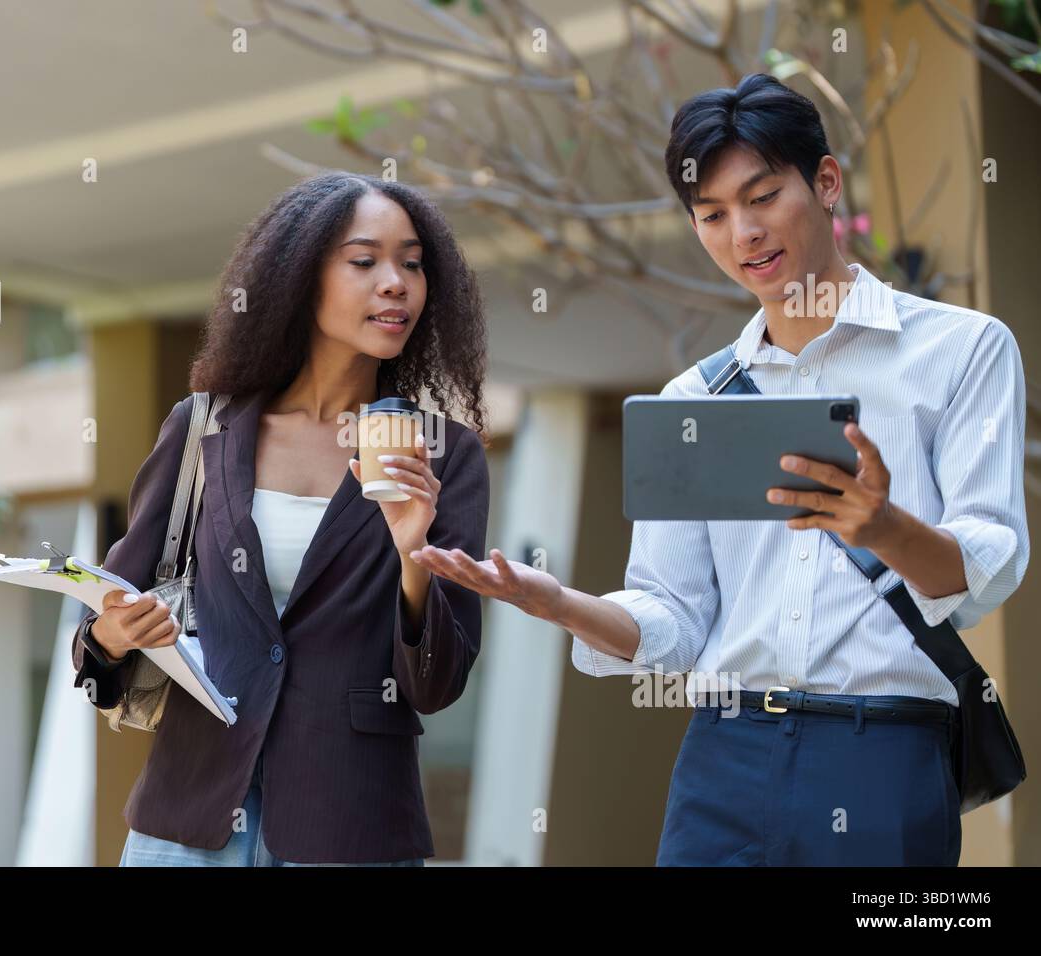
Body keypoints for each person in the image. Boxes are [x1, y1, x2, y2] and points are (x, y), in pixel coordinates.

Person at [410, 73, 1028, 866]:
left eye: (763, 197)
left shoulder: (964, 349)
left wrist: (882, 528)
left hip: (883, 753)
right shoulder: (692, 400)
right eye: (712, 215)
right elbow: (672, 619)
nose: (744, 233)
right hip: (722, 761)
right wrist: (559, 602)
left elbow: (987, 565)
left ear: (827, 182)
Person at [71, 172, 490, 866]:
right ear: (300, 277)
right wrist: (112, 636)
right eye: (365, 261)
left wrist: (413, 551)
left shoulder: (446, 454)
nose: (396, 283)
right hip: (188, 820)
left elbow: (436, 684)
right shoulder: (203, 430)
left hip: (351, 829)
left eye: (413, 264)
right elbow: (104, 618)